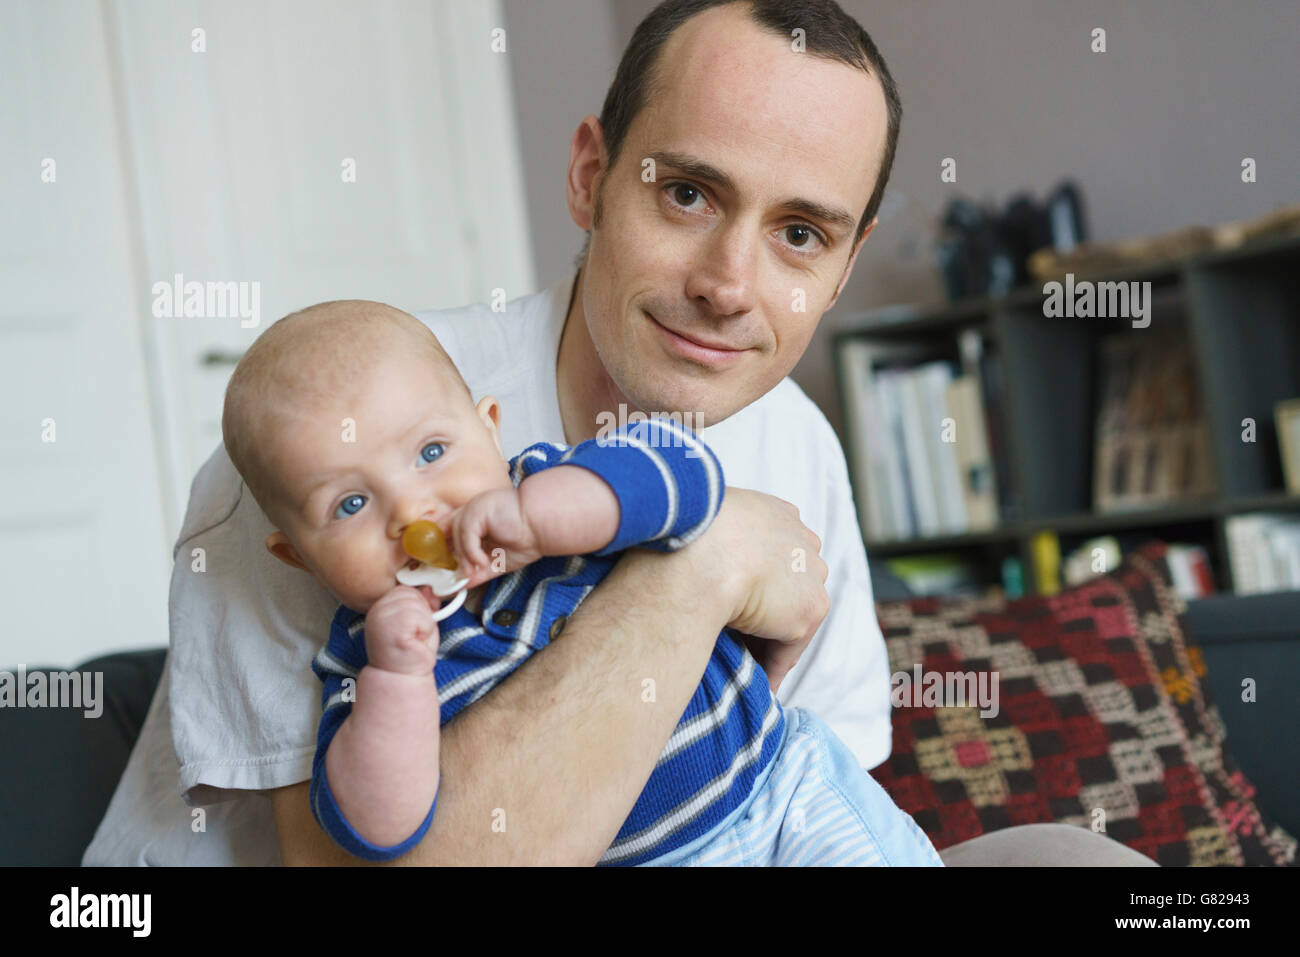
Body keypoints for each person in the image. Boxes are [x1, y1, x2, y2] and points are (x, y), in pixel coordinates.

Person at [84, 0, 1155, 866]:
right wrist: (707, 566)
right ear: (592, 176)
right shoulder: (328, 456)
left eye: (798, 234)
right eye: (686, 193)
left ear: (842, 264)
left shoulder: (797, 445)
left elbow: (808, 791)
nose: (727, 287)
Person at [218, 301, 943, 866]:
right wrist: (399, 679)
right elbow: (379, 831)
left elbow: (685, 473)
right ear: (300, 558)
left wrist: (546, 516)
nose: (411, 510)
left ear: (490, 431)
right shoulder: (363, 663)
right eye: (350, 504)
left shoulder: (555, 488)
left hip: (785, 790)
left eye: (432, 452)